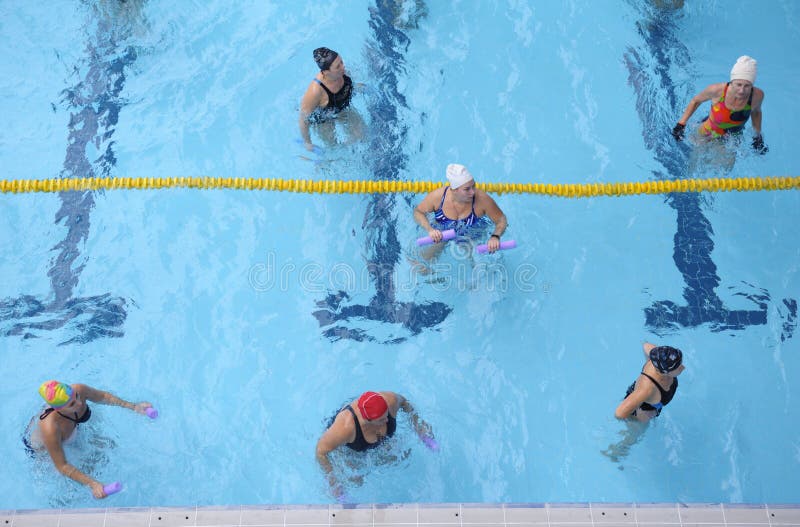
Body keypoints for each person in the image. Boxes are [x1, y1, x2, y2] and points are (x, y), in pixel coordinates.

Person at [25, 380, 154, 499]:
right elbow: (62, 466)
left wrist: (133, 407)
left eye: (76, 396)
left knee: (108, 446)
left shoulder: (79, 390)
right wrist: (93, 484)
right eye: (72, 404)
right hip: (43, 450)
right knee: (69, 490)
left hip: (71, 430)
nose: (80, 403)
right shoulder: (51, 427)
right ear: (58, 409)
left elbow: (104, 397)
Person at [315, 391, 436, 499]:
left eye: (386, 415)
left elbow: (405, 403)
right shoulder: (345, 428)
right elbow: (320, 452)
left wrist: (418, 427)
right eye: (382, 420)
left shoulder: (390, 401)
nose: (387, 420)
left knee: (399, 457)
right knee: (356, 480)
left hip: (373, 434)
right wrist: (333, 481)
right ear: (367, 420)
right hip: (349, 448)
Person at [672, 55, 767, 154]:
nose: (742, 90)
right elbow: (696, 101)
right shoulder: (717, 90)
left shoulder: (757, 95)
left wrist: (757, 136)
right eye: (738, 84)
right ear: (732, 81)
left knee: (725, 167)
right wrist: (681, 124)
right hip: (707, 131)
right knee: (696, 161)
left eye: (747, 86)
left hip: (732, 138)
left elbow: (756, 112)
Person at [413, 163, 508, 254]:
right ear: (454, 190)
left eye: (473, 186)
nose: (473, 192)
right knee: (422, 264)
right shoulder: (437, 197)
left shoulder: (482, 200)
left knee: (479, 265)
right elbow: (418, 212)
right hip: (443, 233)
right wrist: (430, 230)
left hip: (472, 234)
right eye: (467, 189)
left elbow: (501, 220)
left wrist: (495, 236)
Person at [298, 47, 363, 152]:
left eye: (342, 62)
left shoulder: (343, 73)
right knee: (333, 148)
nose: (343, 67)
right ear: (326, 72)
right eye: (338, 66)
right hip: (323, 119)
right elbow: (303, 119)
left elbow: (352, 86)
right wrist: (307, 143)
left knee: (361, 134)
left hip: (341, 109)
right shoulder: (315, 92)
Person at [615, 343, 685, 422]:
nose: (683, 368)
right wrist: (639, 418)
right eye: (678, 367)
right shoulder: (647, 389)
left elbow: (646, 345)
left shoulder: (658, 356)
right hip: (641, 412)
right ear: (664, 372)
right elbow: (619, 413)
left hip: (651, 400)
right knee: (636, 433)